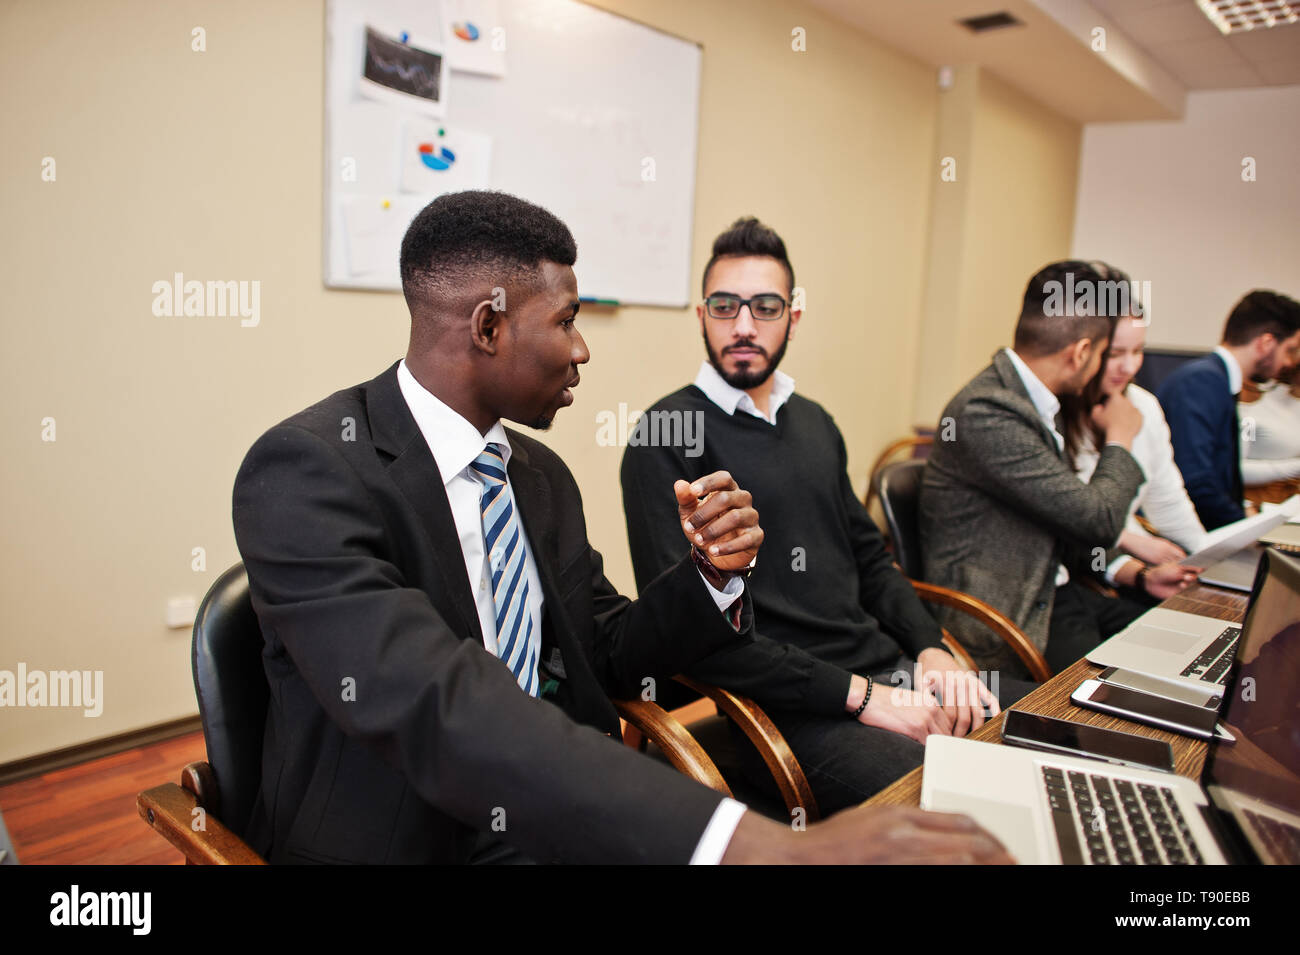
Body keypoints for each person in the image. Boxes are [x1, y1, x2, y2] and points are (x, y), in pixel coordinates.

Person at [232, 191, 1012, 865]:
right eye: (567, 320)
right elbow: (438, 701)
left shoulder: (535, 475)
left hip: (556, 807)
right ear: (488, 326)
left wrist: (710, 576)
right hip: (405, 835)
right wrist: (761, 844)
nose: (583, 348)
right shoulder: (308, 470)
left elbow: (607, 648)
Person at [620, 216, 1033, 815]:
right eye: (724, 305)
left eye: (764, 306)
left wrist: (930, 649)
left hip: (887, 670)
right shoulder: (664, 436)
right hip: (789, 709)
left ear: (793, 316)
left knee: (1052, 730)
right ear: (702, 314)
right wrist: (866, 699)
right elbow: (684, 633)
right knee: (970, 806)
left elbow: (870, 557)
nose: (742, 325)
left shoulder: (815, 422)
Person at [920, 261, 1197, 676]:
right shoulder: (987, 411)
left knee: (1188, 648)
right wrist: (1120, 439)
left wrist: (1139, 576)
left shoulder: (1037, 401)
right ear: (1082, 352)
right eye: (1106, 353)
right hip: (1012, 617)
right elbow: (1097, 520)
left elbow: (1068, 524)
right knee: (1133, 693)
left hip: (1063, 591)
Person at [1062, 312, 1208, 589]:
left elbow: (1167, 498)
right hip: (1087, 565)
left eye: (1138, 351)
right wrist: (1133, 541)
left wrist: (1205, 556)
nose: (1128, 367)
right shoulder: (1059, 411)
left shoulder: (1145, 406)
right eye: (1115, 354)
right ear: (1085, 351)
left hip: (1138, 557)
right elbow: (1073, 514)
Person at [1158, 290, 1300, 530]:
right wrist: (1244, 527)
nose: (1290, 362)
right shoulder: (1202, 381)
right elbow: (1195, 480)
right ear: (1266, 343)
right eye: (1290, 350)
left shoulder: (1218, 380)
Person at [1240, 363, 1300, 491]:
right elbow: (1237, 469)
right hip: (1260, 498)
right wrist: (1296, 467)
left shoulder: (1293, 403)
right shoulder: (1251, 407)